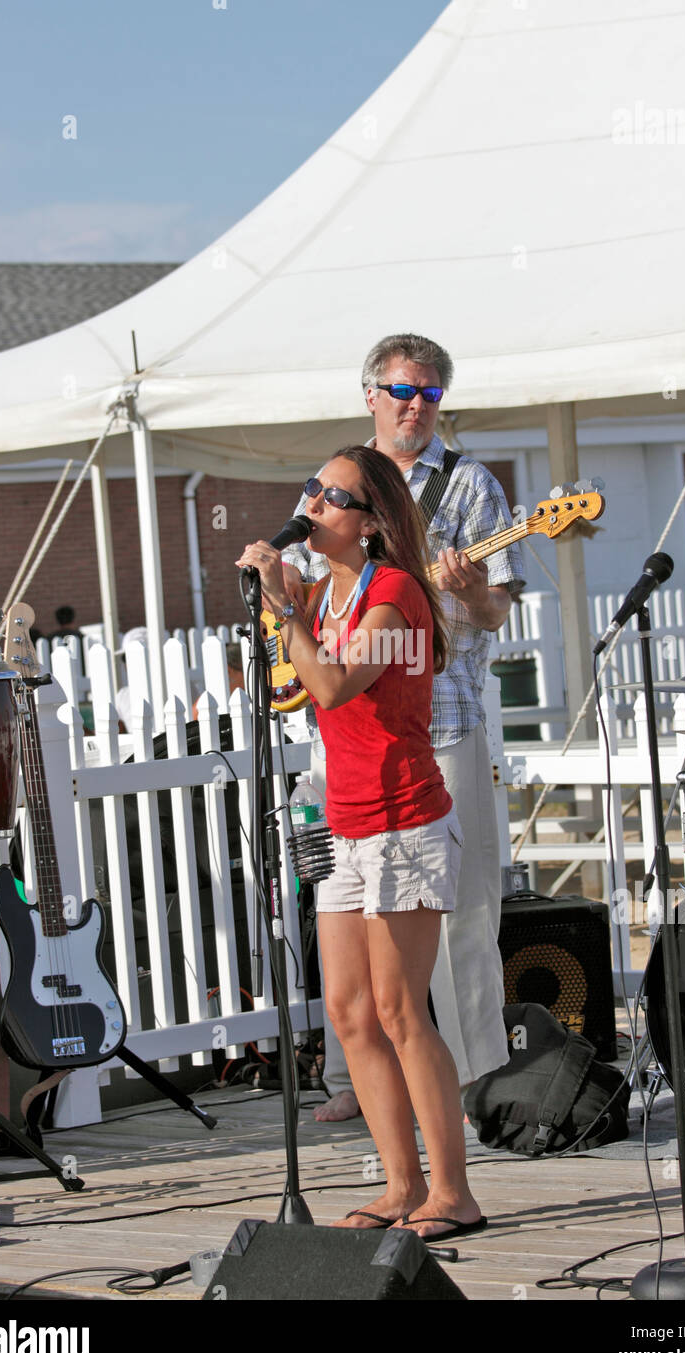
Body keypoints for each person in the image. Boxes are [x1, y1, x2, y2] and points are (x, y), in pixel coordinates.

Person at [236, 446, 485, 1239]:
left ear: (372, 521)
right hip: (344, 820)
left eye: (332, 495)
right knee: (348, 1014)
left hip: (403, 816)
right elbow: (278, 688)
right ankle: (400, 1186)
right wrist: (277, 604)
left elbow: (338, 683)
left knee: (400, 1010)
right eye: (309, 485)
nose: (312, 502)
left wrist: (285, 613)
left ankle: (454, 1193)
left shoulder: (397, 593)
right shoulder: (323, 594)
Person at [281, 332, 524, 1122]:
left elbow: (495, 614)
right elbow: (312, 600)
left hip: (442, 721)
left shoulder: (470, 485)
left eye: (429, 394)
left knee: (461, 911)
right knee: (346, 909)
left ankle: (472, 1079)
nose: (415, 406)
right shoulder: (333, 485)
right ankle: (363, 1079)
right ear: (371, 396)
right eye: (402, 390)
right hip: (345, 730)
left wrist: (475, 589)